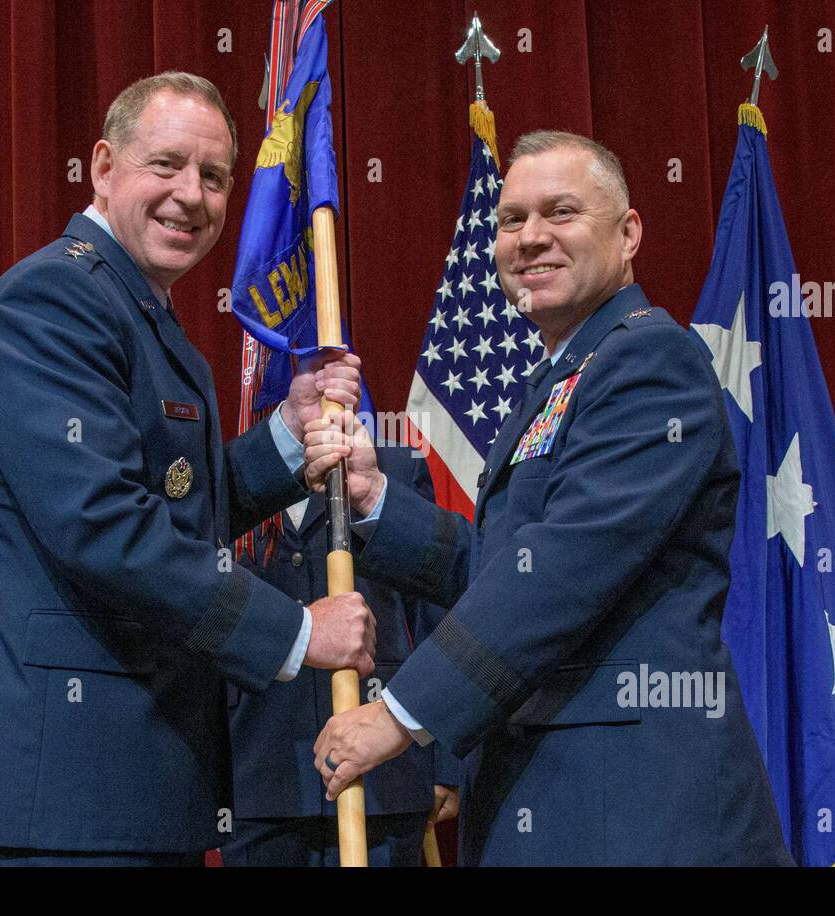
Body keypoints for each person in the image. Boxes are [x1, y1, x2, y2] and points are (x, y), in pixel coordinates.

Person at [305, 131, 793, 866]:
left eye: (561, 212)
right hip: (554, 799)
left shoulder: (649, 359)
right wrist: (376, 498)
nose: (530, 237)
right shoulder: (561, 375)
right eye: (512, 220)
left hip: (635, 810)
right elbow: (508, 568)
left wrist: (400, 715)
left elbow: (566, 566)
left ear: (628, 233)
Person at [0, 72, 375, 866]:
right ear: (104, 168)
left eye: (213, 176)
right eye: (166, 165)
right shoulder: (53, 301)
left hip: (137, 786)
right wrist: (298, 630)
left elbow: (178, 507)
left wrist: (288, 433)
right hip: (66, 799)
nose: (191, 196)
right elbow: (104, 527)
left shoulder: (138, 311)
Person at [223, 443, 459, 866]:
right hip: (258, 765)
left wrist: (446, 763)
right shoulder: (233, 468)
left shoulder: (394, 468)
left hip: (386, 774)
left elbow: (435, 613)